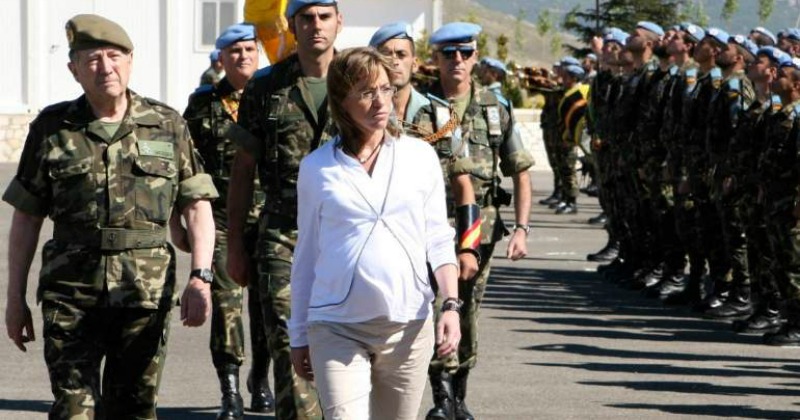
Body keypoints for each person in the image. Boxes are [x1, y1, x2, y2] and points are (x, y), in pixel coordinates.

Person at [3, 14, 218, 419]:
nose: (106, 67)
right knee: (73, 408)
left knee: (135, 407)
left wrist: (200, 276)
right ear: (74, 69)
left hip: (145, 293)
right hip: (71, 291)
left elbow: (197, 204)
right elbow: (27, 217)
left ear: (130, 60)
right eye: (92, 59)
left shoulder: (167, 123)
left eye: (114, 55)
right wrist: (14, 299)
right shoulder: (52, 128)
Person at [288, 46, 462, 420]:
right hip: (335, 326)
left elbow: (438, 237)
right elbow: (307, 255)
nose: (380, 102)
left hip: (408, 327)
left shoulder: (419, 157)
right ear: (342, 101)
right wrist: (298, 333)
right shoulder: (316, 168)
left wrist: (450, 304)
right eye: (366, 93)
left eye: (385, 89)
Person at [413, 22, 534, 420]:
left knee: (466, 310)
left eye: (465, 53)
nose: (458, 61)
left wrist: (521, 228)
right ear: (436, 59)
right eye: (449, 54)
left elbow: (519, 170)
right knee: (433, 305)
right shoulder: (419, 107)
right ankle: (441, 396)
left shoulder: (495, 108)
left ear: (476, 57)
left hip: (478, 228)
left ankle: (459, 391)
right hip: (429, 224)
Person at [226, 0, 341, 418]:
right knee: (288, 341)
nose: (315, 26)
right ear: (291, 25)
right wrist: (235, 246)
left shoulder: (360, 78)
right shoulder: (265, 85)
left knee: (346, 344)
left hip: (347, 235)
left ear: (338, 22)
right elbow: (243, 169)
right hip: (282, 235)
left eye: (323, 17)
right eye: (305, 18)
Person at [176, 22, 274, 419]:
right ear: (221, 58)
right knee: (227, 305)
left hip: (269, 218)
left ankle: (261, 378)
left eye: (250, 49)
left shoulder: (273, 96)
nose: (243, 56)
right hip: (219, 219)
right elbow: (183, 164)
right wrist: (177, 220)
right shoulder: (202, 104)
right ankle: (230, 387)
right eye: (234, 51)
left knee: (268, 306)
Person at [368, 21, 429, 124]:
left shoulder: (435, 113)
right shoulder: (363, 112)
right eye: (386, 54)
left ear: (414, 64)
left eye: (401, 55)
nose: (394, 62)